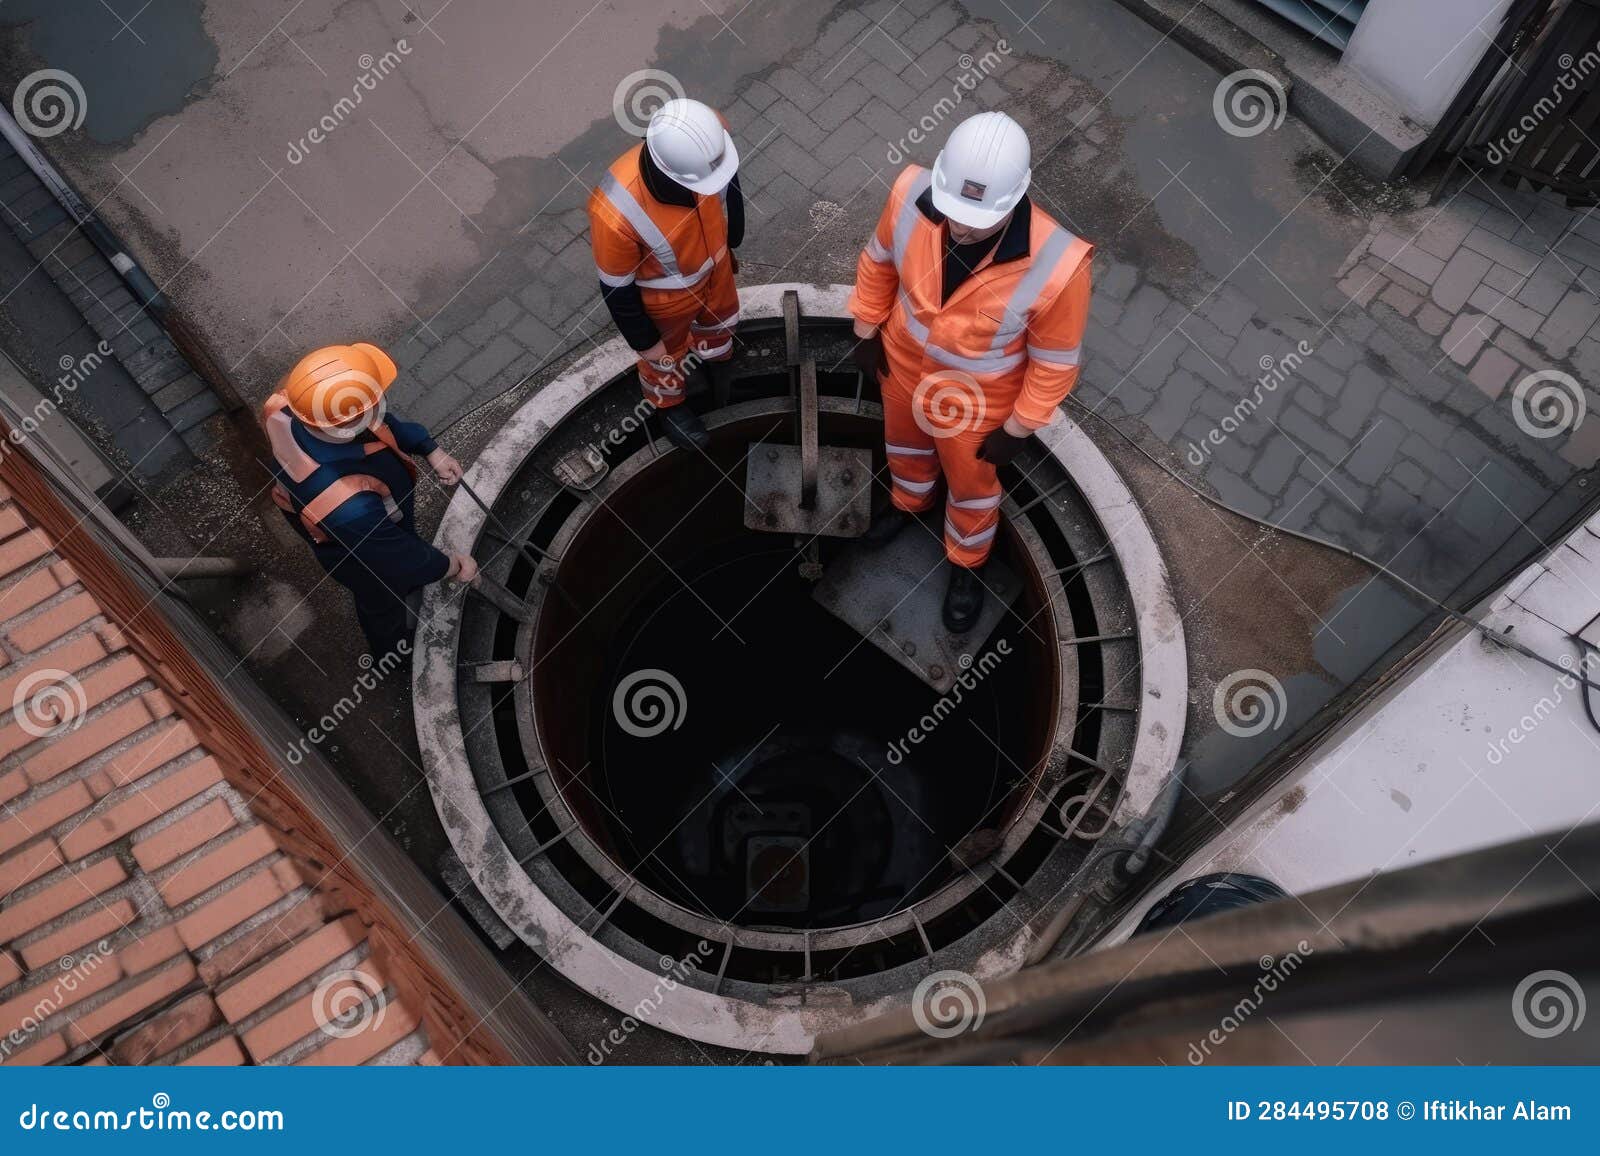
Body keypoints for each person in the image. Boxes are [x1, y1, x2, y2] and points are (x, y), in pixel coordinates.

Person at [848, 111, 1093, 632]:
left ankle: (967, 563)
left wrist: (1019, 427)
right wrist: (866, 331)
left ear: (1014, 201)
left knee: (972, 484)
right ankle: (908, 503)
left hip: (978, 399)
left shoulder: (1058, 264)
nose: (960, 226)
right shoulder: (911, 195)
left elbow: (1055, 362)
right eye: (953, 211)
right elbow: (879, 262)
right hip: (903, 363)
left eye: (976, 220)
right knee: (905, 447)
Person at [263, 342, 476, 660]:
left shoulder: (301, 409)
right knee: (380, 597)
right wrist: (451, 566)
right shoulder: (348, 507)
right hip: (354, 554)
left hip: (365, 522)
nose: (379, 405)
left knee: (397, 557)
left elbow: (383, 425)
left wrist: (430, 448)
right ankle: (393, 654)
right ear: (348, 424)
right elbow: (394, 555)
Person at [588, 97, 743, 451]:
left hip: (716, 270)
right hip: (667, 302)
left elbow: (729, 180)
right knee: (666, 358)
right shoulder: (615, 212)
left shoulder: (705, 136)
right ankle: (670, 407)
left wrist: (733, 238)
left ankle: (719, 365)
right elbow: (617, 290)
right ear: (672, 173)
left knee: (721, 323)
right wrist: (647, 344)